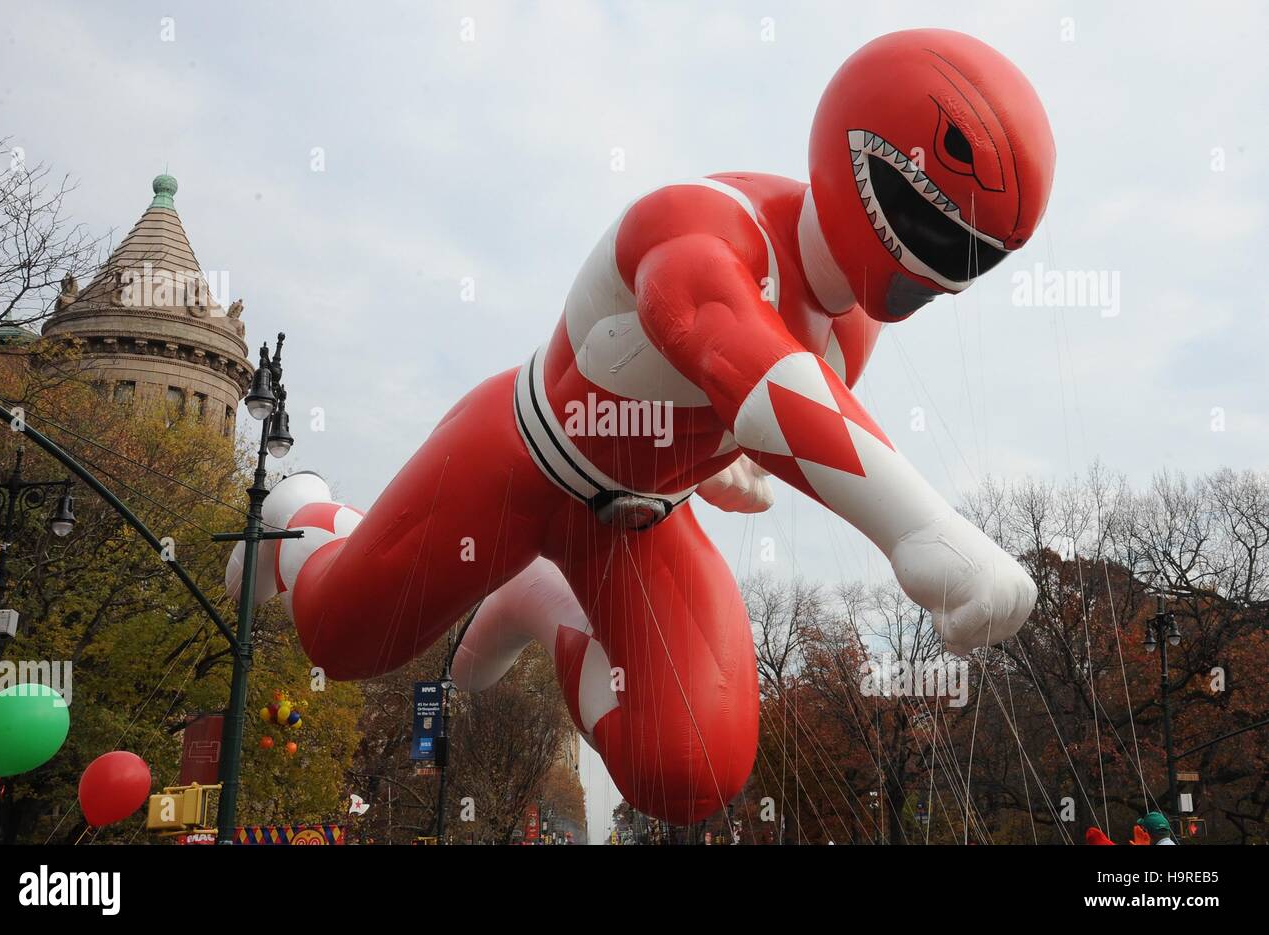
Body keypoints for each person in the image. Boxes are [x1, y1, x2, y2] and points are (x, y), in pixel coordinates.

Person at [228, 29, 1056, 826]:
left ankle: (539, 600)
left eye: (972, 255)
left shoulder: (848, 335)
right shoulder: (702, 223)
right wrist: (923, 532)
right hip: (516, 460)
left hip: (638, 517)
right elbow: (746, 362)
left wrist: (709, 463)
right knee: (342, 637)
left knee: (690, 763)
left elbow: (752, 401)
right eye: (939, 235)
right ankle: (305, 518)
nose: (941, 273)